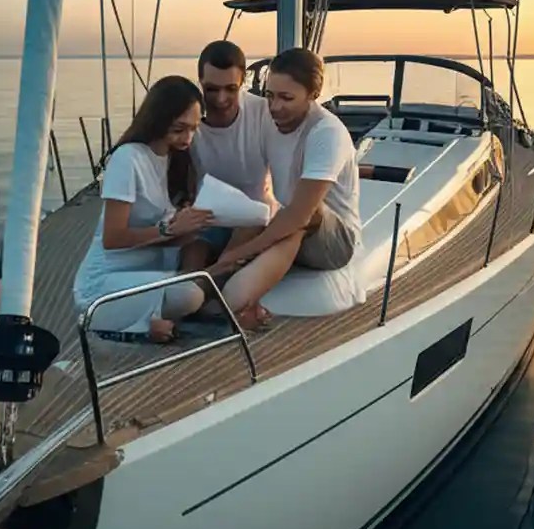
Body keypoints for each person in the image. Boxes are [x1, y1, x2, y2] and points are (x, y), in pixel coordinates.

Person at [211, 48, 362, 328]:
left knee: (299, 217)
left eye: (286, 98)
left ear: (313, 94)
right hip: (294, 222)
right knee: (257, 211)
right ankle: (205, 289)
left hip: (334, 243)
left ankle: (236, 302)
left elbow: (300, 215)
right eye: (270, 95)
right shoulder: (271, 119)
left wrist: (243, 252)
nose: (275, 106)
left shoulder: (326, 133)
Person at [72, 76, 214, 343]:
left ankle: (148, 321)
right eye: (179, 129)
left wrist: (194, 225)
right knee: (190, 295)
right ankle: (125, 325)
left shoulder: (177, 160)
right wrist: (169, 228)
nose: (188, 137)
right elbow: (113, 239)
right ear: (159, 119)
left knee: (204, 262)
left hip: (148, 272)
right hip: (105, 284)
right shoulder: (128, 159)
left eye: (194, 128)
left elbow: (171, 237)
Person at [180, 40, 274, 272]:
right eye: (211, 89)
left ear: (242, 82)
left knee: (240, 239)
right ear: (200, 81)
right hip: (208, 215)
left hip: (255, 213)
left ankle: (207, 284)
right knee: (193, 248)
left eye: (230, 89)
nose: (221, 99)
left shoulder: (264, 113)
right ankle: (186, 285)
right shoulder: (187, 118)